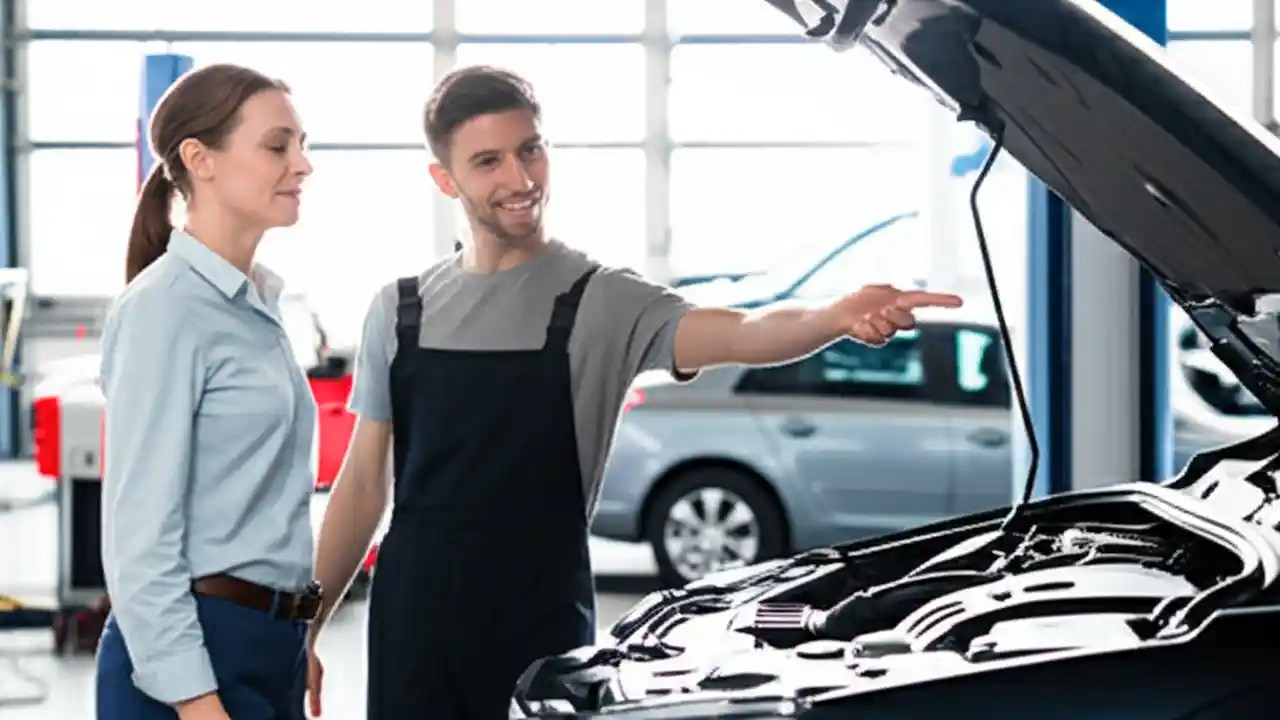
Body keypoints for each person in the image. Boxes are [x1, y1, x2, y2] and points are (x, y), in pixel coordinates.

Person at [303, 65, 963, 719]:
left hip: (538, 631)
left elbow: (743, 331)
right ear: (444, 179)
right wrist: (307, 629)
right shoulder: (401, 310)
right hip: (414, 628)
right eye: (488, 161)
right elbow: (362, 485)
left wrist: (833, 315)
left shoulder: (601, 300)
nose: (521, 179)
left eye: (530, 150)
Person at [95, 63, 321, 720]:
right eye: (278, 146)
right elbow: (139, 537)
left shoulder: (257, 304)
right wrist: (195, 700)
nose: (302, 165)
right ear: (201, 160)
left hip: (266, 646)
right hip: (192, 659)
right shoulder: (164, 308)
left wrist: (294, 634)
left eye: (302, 145)